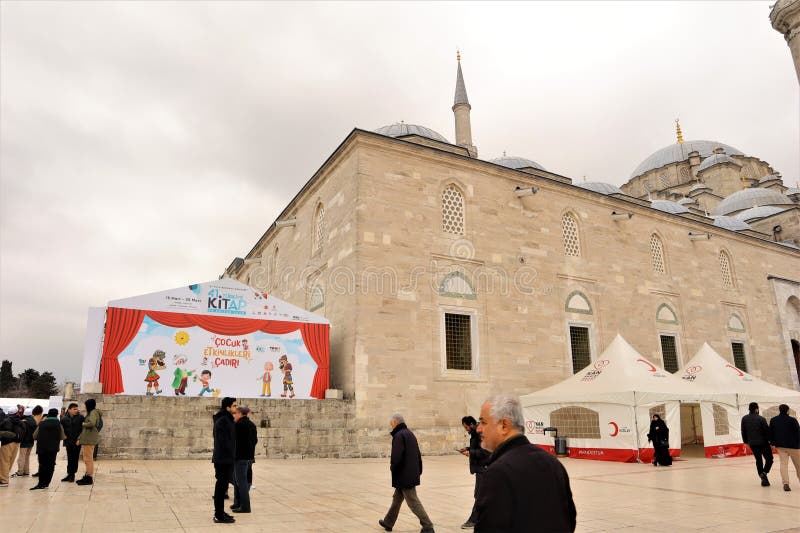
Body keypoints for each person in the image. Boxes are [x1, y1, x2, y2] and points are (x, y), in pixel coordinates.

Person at [474, 395, 576, 533]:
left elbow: (489, 526)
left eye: (483, 422)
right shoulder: (552, 462)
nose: (478, 429)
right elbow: (569, 518)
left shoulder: (498, 472)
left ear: (504, 425)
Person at [379, 414, 435, 533]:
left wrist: (393, 468)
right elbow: (418, 454)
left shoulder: (399, 435)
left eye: (391, 424)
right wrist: (418, 470)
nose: (391, 426)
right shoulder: (410, 434)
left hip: (404, 474)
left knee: (413, 501)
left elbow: (396, 457)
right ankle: (388, 522)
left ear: (395, 422)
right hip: (409, 473)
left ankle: (428, 526)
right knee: (397, 499)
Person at [459, 415, 490, 529]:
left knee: (479, 495)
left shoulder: (479, 433)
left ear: (471, 424)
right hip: (481, 468)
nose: (465, 429)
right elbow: (477, 447)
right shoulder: (475, 433)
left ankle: (473, 520)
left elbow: (485, 451)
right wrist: (468, 448)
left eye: (466, 427)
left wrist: (471, 453)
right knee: (482, 495)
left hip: (483, 468)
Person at [212, 397, 238, 524]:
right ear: (228, 407)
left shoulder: (226, 419)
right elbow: (224, 442)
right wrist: (231, 455)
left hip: (225, 458)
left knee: (222, 488)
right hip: (223, 459)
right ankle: (218, 515)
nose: (236, 408)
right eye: (234, 406)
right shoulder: (223, 420)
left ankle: (220, 512)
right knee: (221, 487)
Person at [30, 408, 66, 490]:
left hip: (42, 448)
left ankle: (40, 483)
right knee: (51, 465)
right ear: (57, 414)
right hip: (53, 449)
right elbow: (62, 436)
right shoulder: (59, 424)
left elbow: (34, 436)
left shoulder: (42, 424)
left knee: (42, 465)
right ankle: (46, 483)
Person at [231, 405, 257, 514]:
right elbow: (255, 440)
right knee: (238, 480)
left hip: (240, 457)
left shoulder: (238, 425)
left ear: (241, 414)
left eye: (236, 413)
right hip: (249, 457)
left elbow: (233, 441)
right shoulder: (252, 424)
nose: (234, 415)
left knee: (241, 482)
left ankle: (245, 507)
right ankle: (237, 503)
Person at [769, 404, 800, 492]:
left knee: (783, 464)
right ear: (788, 411)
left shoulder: (773, 420)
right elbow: (798, 433)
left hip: (780, 446)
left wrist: (772, 443)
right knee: (798, 465)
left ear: (779, 410)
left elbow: (770, 433)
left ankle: (786, 483)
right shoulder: (793, 420)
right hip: (794, 446)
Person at [741, 401, 773, 487]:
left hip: (752, 443)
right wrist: (771, 442)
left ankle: (762, 476)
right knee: (769, 459)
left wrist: (746, 442)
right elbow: (767, 432)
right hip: (764, 443)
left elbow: (743, 431)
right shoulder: (761, 419)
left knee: (759, 460)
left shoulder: (744, 418)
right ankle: (764, 473)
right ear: (756, 409)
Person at [76, 398, 102, 486]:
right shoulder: (92, 413)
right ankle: (87, 475)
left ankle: (89, 477)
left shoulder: (93, 413)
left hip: (89, 439)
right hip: (88, 438)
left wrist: (83, 423)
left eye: (86, 405)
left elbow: (92, 423)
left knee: (88, 459)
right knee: (87, 459)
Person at [14, 405, 41, 478]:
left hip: (24, 441)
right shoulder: (34, 421)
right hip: (31, 441)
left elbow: (22, 432)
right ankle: (26, 471)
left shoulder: (24, 421)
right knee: (27, 457)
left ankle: (20, 471)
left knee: (21, 457)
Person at [0, 409, 25, 487]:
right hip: (17, 443)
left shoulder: (6, 421)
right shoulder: (20, 421)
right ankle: (5, 477)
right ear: (17, 413)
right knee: (10, 461)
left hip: (7, 443)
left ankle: (3, 480)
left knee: (4, 461)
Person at [60, 402, 84, 482]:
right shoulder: (64, 418)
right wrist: (63, 436)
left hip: (77, 442)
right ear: (69, 409)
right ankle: (69, 474)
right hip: (68, 442)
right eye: (74, 409)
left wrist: (80, 439)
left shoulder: (80, 418)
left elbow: (83, 430)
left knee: (75, 458)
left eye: (77, 409)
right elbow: (60, 428)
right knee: (70, 458)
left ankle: (72, 474)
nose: (76, 410)